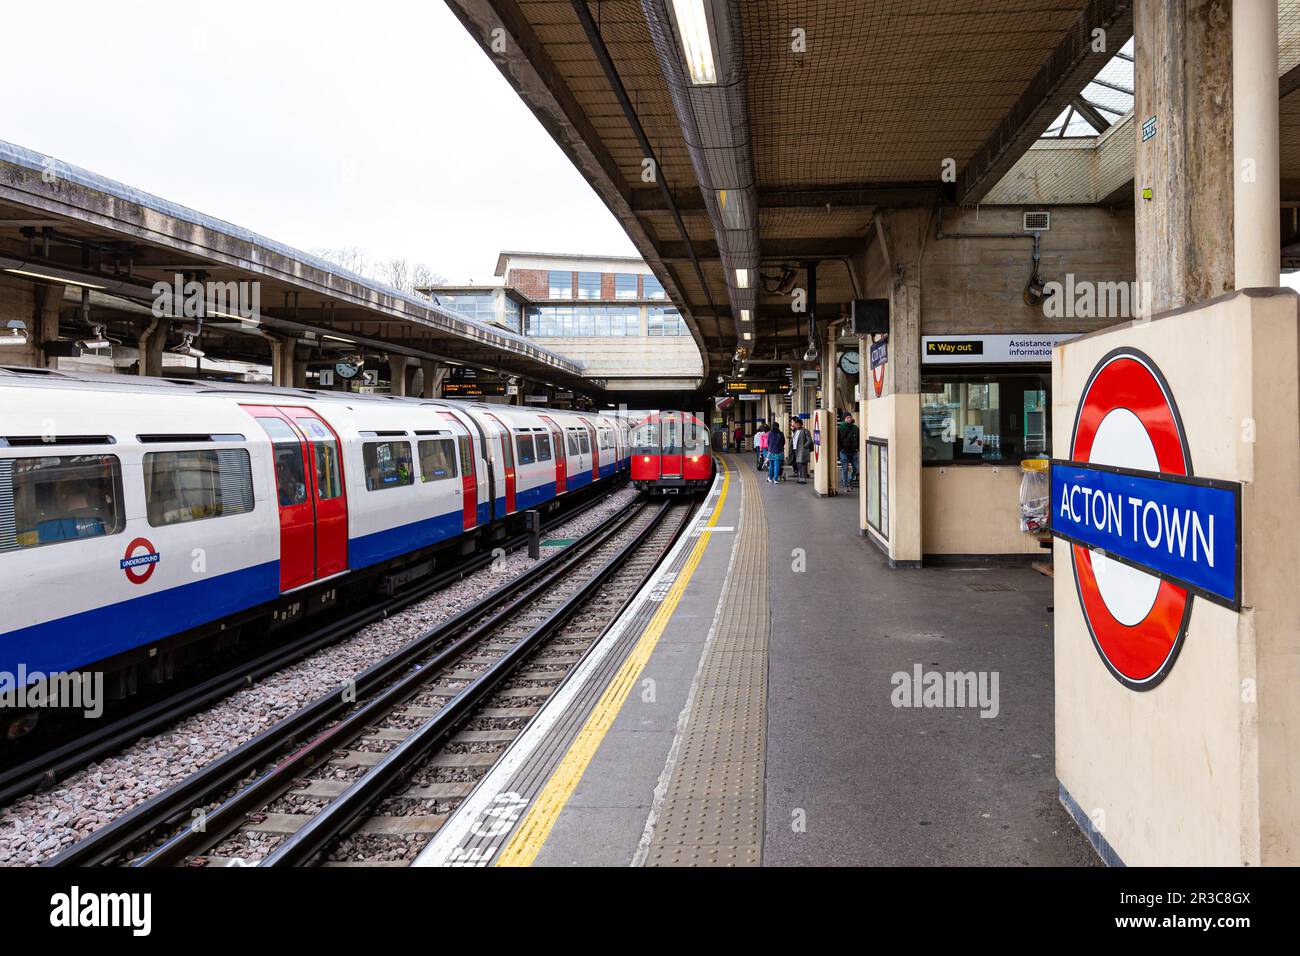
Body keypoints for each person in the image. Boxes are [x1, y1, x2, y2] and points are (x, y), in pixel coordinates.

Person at [838, 413, 860, 489]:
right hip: (844, 451)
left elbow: (858, 438)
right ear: (844, 419)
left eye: (850, 417)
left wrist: (858, 447)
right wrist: (840, 449)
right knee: (845, 468)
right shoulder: (840, 428)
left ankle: (850, 479)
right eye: (847, 418)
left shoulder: (855, 428)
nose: (849, 419)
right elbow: (838, 440)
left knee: (856, 467)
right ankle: (845, 484)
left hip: (854, 450)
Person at [789, 418, 813, 484]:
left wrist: (804, 446)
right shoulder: (796, 431)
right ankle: (801, 478)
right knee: (799, 464)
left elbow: (809, 440)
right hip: (796, 450)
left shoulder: (805, 431)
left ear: (800, 424)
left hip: (802, 450)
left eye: (796, 424)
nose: (795, 425)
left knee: (803, 464)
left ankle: (803, 479)